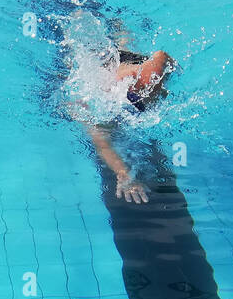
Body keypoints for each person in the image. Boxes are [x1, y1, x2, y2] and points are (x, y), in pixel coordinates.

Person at [66, 25, 177, 204]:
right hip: (116, 73)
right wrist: (123, 173)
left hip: (130, 67)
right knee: (77, 54)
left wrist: (169, 69)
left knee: (124, 44)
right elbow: (101, 143)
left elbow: (162, 56)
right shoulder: (96, 99)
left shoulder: (147, 79)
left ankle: (116, 27)